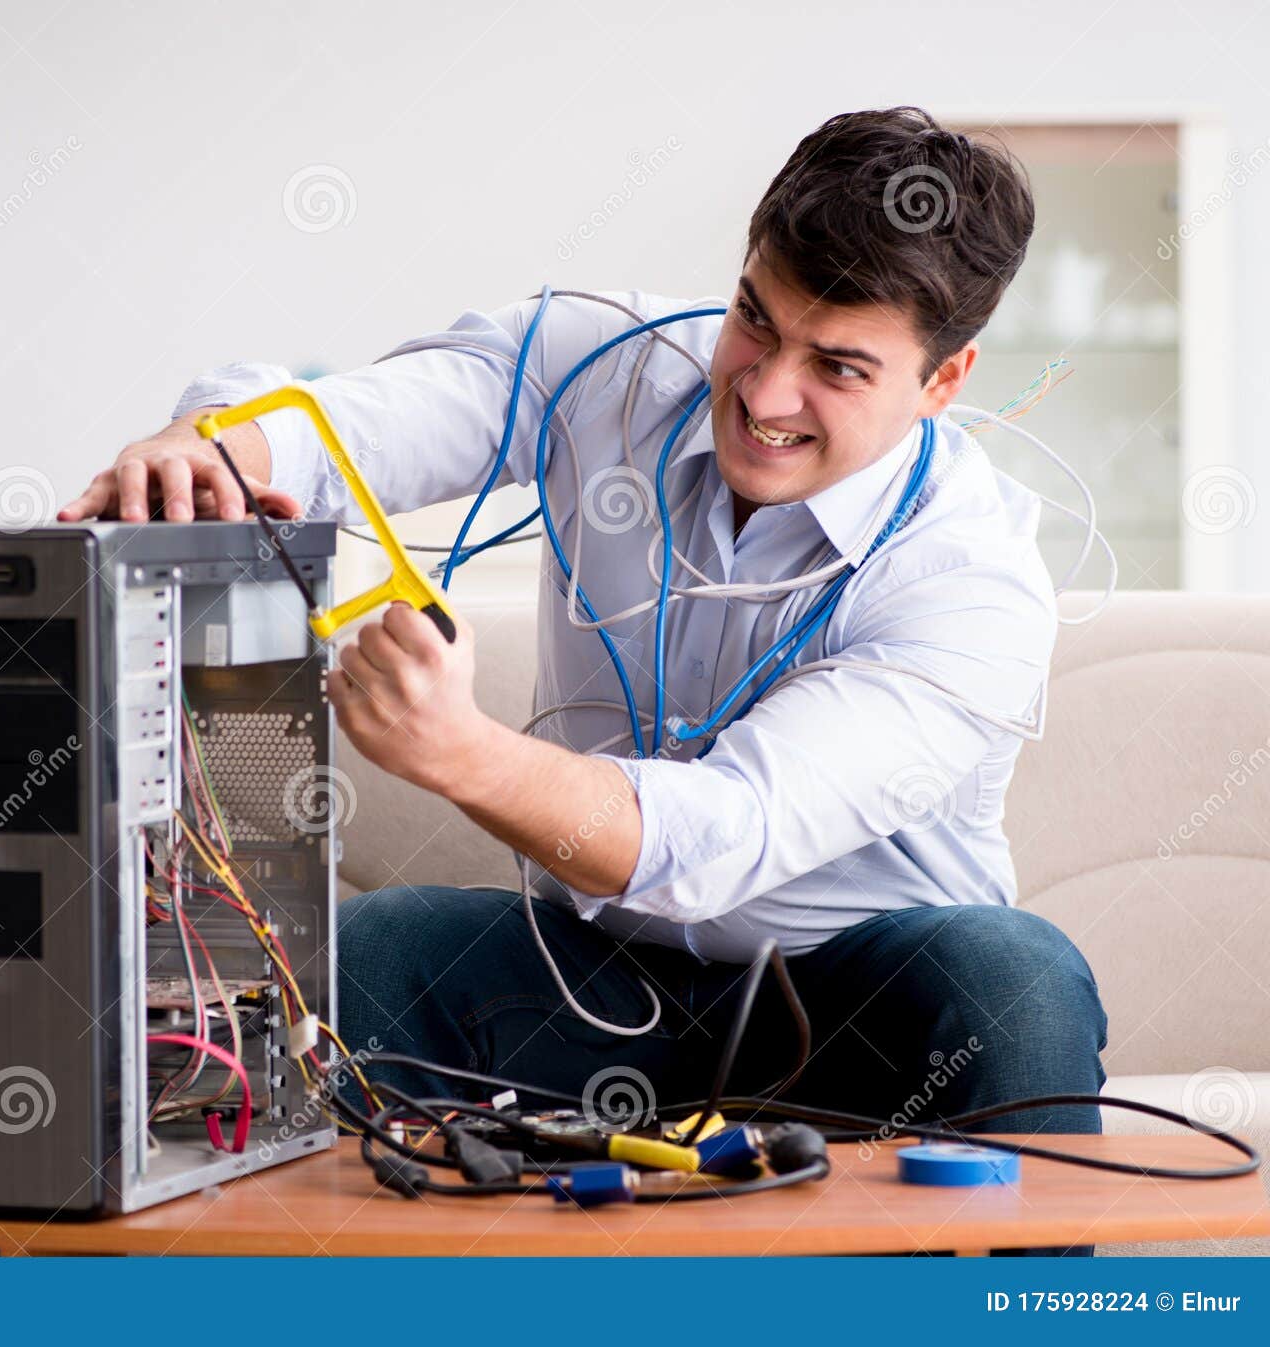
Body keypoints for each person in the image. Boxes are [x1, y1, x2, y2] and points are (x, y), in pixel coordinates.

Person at [60, 106, 1107, 1251]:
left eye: (838, 367)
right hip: (598, 991)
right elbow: (338, 426)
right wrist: (210, 450)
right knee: (375, 954)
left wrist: (459, 754)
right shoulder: (607, 362)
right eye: (755, 319)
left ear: (942, 380)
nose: (763, 395)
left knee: (1015, 975)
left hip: (857, 1017)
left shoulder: (972, 584)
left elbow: (720, 835)